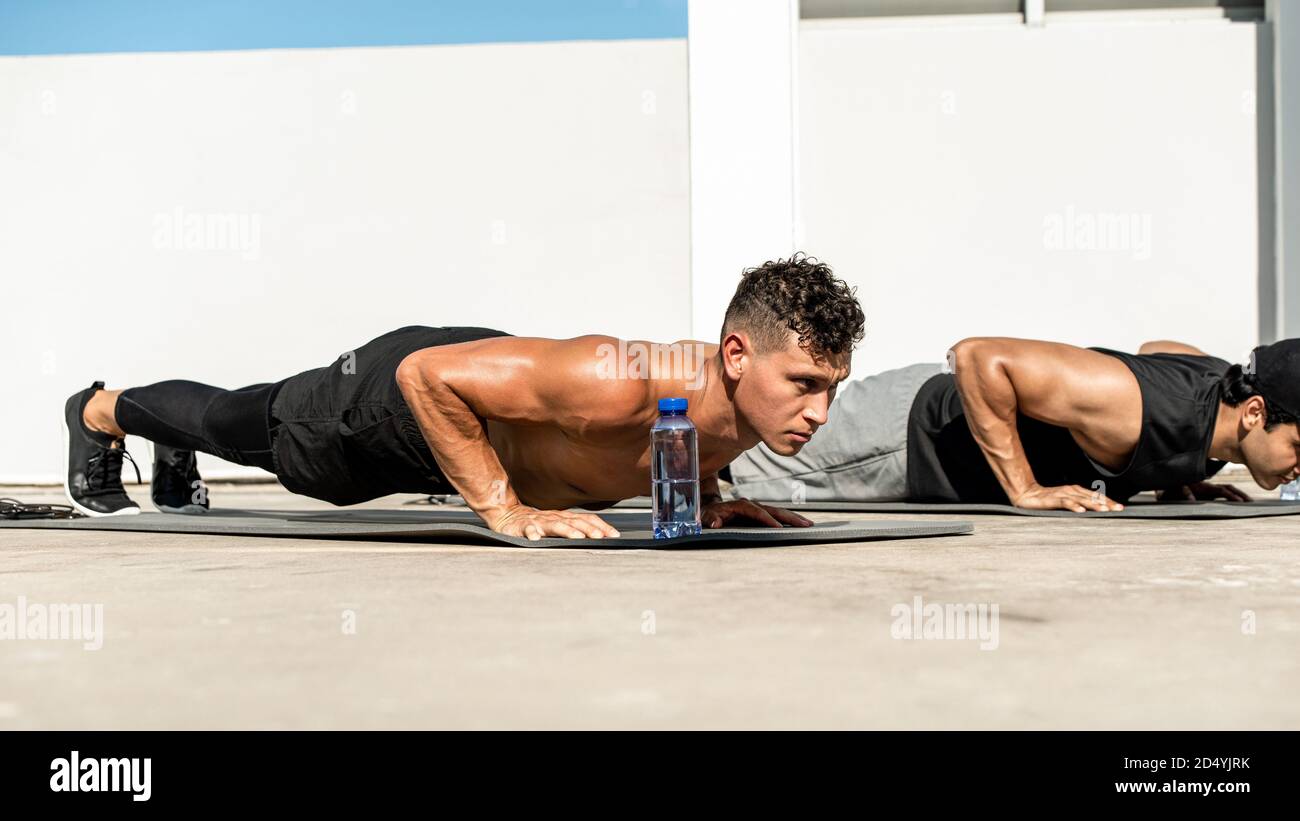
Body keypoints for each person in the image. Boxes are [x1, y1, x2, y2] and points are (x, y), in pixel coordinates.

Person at [62, 255, 865, 539]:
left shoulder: (725, 405)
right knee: (255, 429)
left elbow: (682, 431)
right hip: (400, 397)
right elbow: (426, 378)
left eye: (832, 388)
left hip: (478, 383)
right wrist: (504, 510)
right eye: (804, 384)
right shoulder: (616, 380)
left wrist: (703, 496)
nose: (819, 413)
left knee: (239, 424)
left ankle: (174, 450)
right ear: (735, 354)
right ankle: (100, 408)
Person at [725, 338, 1298, 513]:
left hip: (918, 433)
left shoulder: (1222, 399)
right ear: (1254, 414)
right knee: (724, 466)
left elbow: (1160, 349)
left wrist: (1177, 479)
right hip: (902, 437)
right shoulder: (1132, 404)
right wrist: (1024, 488)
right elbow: (978, 357)